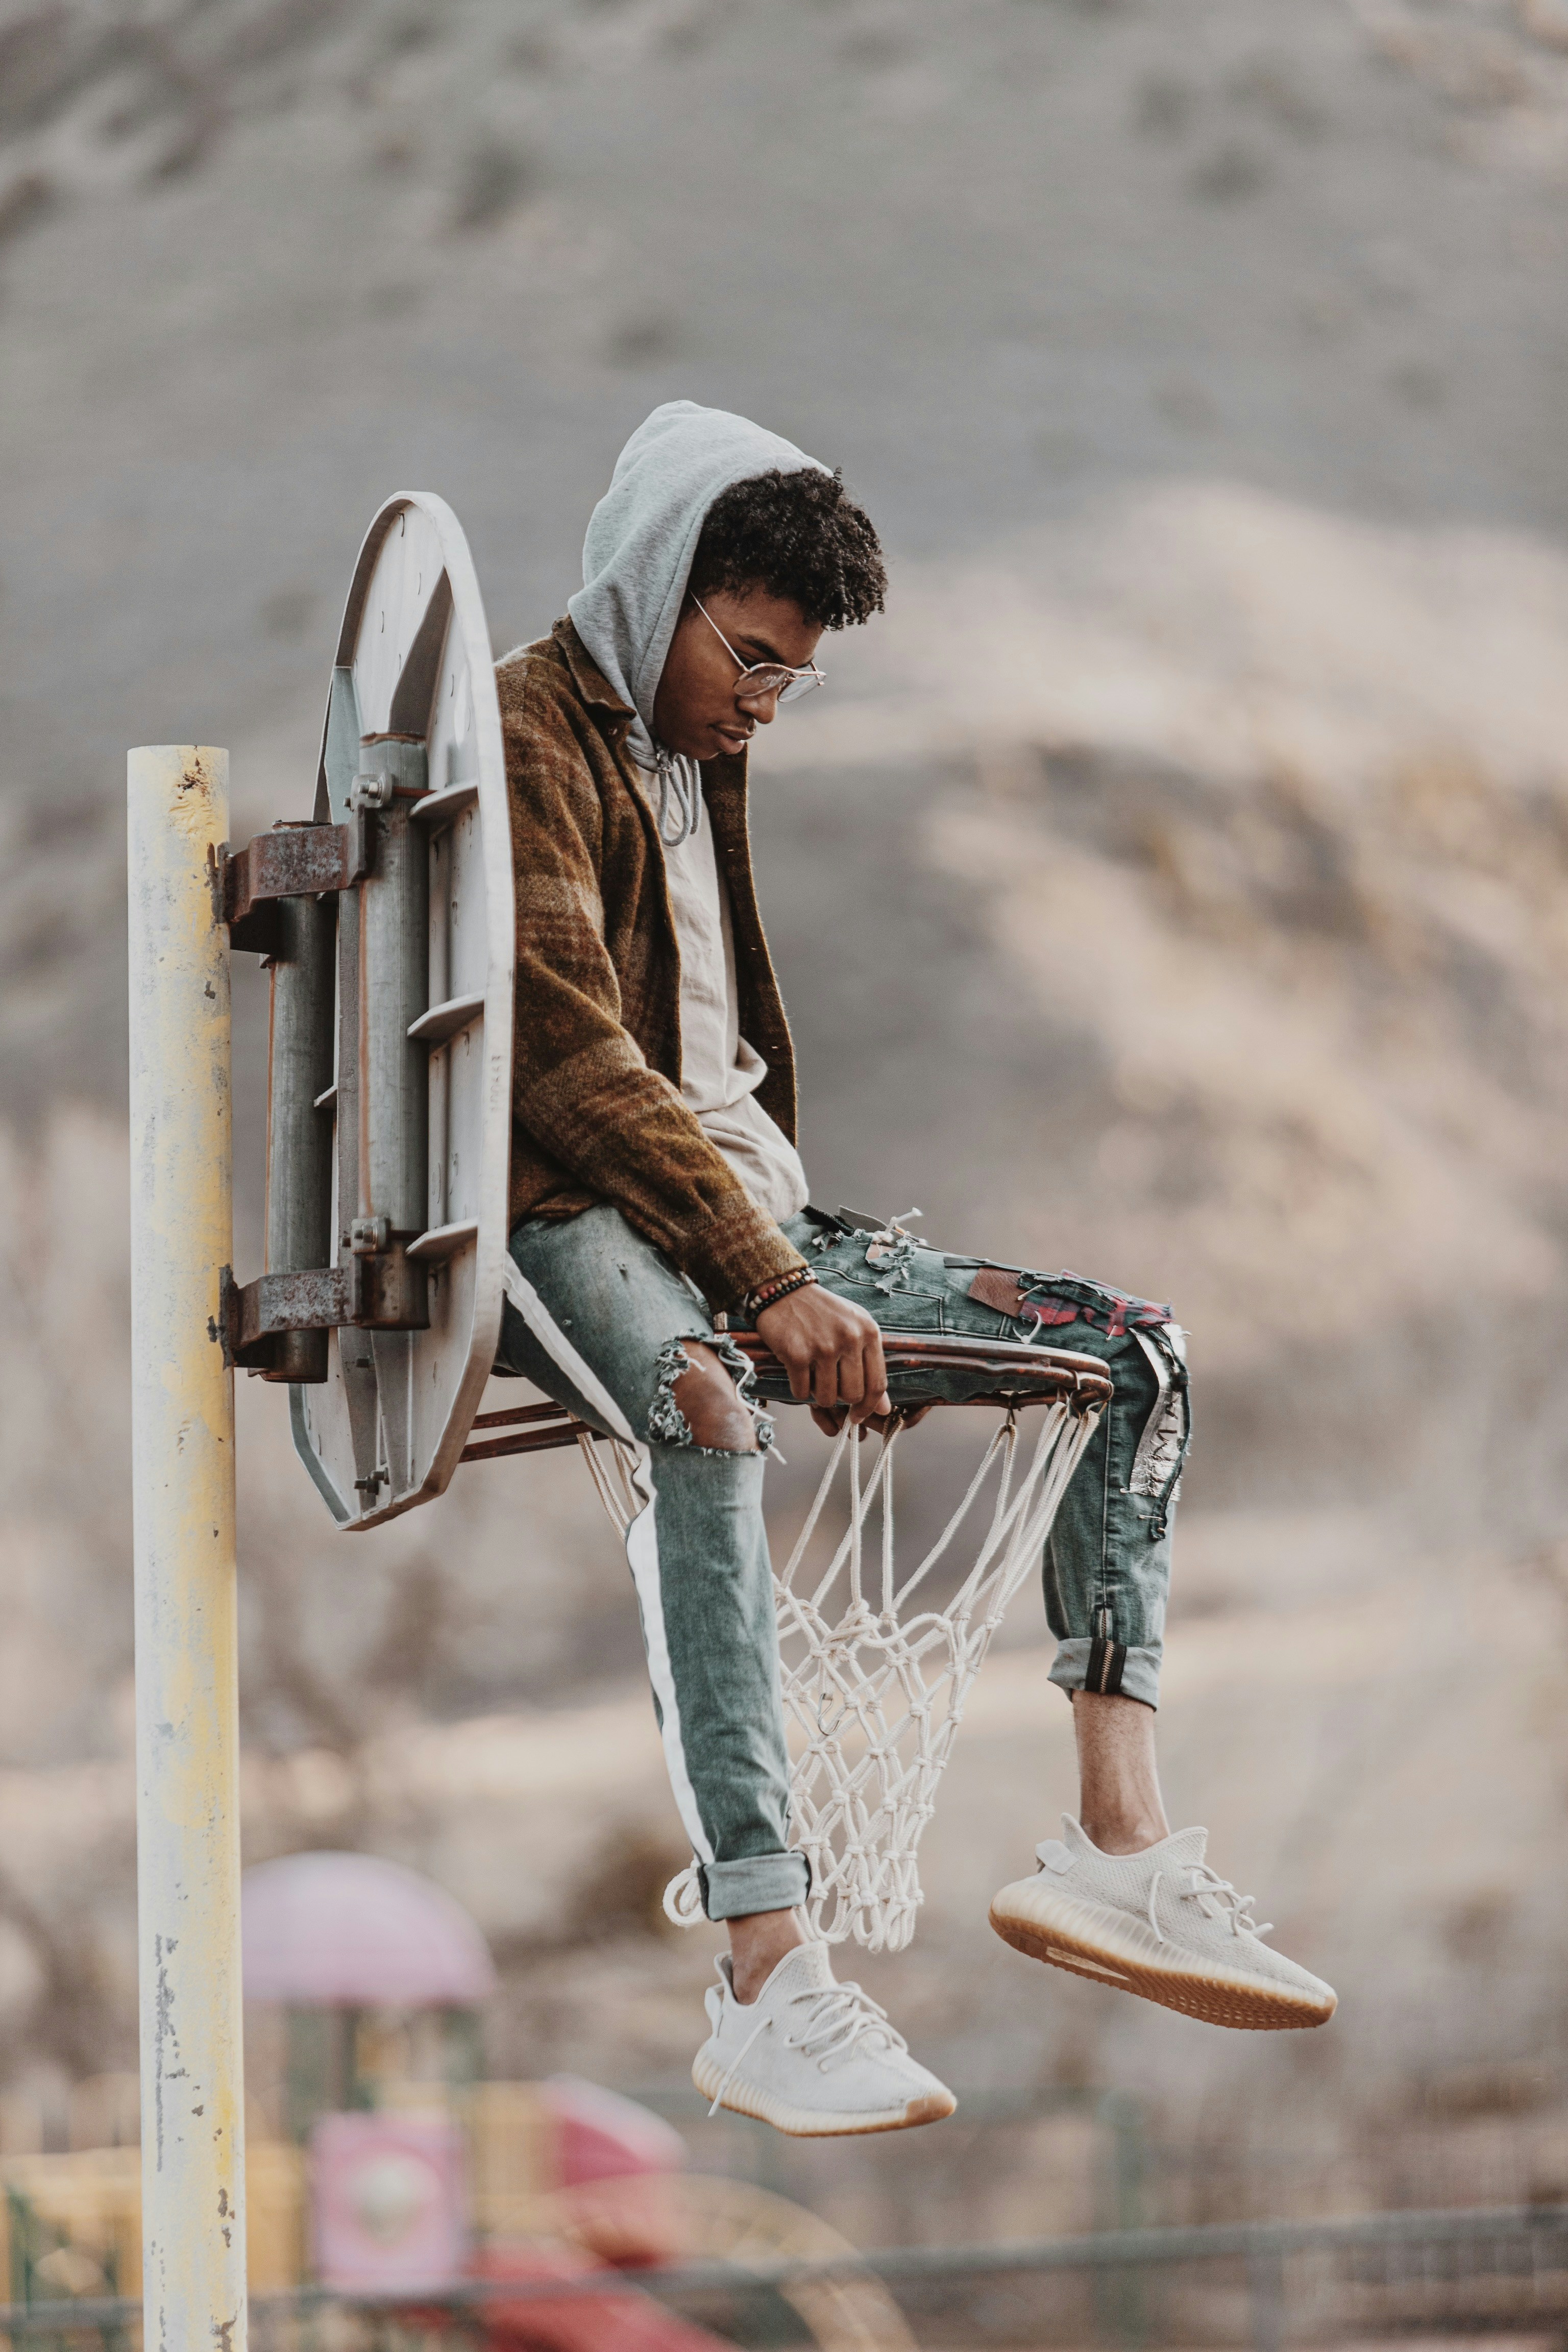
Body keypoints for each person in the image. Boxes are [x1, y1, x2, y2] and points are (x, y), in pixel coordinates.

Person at [495, 401, 1336, 2139]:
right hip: (579, 1216)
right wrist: (761, 1272)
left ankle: (1116, 1851)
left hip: (757, 1227)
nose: (765, 699)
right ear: (660, 589)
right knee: (706, 1413)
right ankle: (765, 1977)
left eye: (794, 676)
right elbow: (566, 1058)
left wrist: (793, 1251)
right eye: (751, 656)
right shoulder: (520, 731)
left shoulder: (698, 753)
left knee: (1136, 1356)